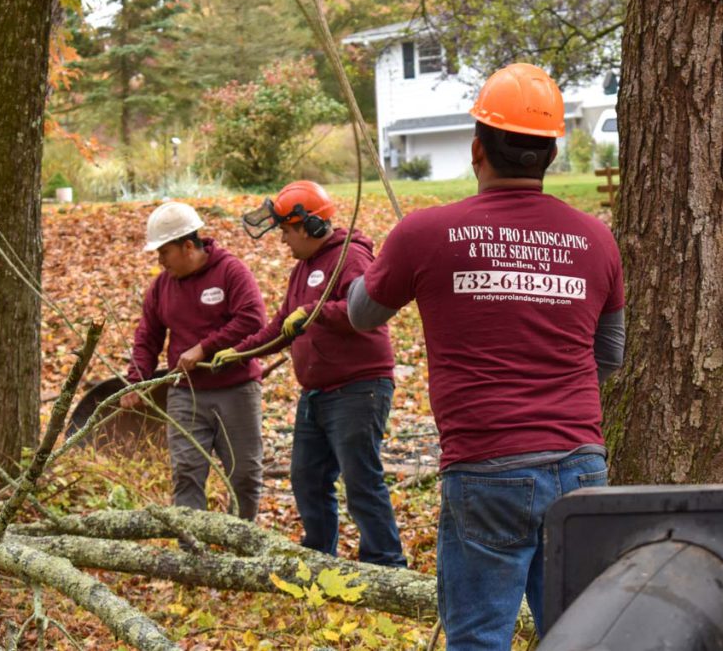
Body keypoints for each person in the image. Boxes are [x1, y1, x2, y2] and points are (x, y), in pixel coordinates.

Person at [346, 63, 625, 648]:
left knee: (478, 639)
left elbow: (360, 314)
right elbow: (611, 353)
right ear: (549, 154)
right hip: (581, 465)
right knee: (580, 637)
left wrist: (394, 259)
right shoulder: (596, 239)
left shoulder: (425, 233)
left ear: (477, 149)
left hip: (487, 469)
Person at [211, 181, 406, 568]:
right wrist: (241, 350)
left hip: (358, 387)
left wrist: (316, 311)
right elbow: (285, 322)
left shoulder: (351, 258)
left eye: (285, 231)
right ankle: (320, 556)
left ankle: (386, 563)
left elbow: (364, 312)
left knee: (360, 479)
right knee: (306, 478)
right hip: (316, 390)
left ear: (309, 226)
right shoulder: (302, 269)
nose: (283, 241)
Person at [121, 201, 267, 520]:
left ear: (188, 246)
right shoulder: (161, 287)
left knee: (244, 476)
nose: (160, 261)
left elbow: (253, 319)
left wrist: (204, 348)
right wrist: (136, 381)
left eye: (164, 253)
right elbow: (147, 338)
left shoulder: (231, 271)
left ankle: (241, 543)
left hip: (237, 390)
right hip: (185, 394)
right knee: (186, 474)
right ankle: (193, 554)